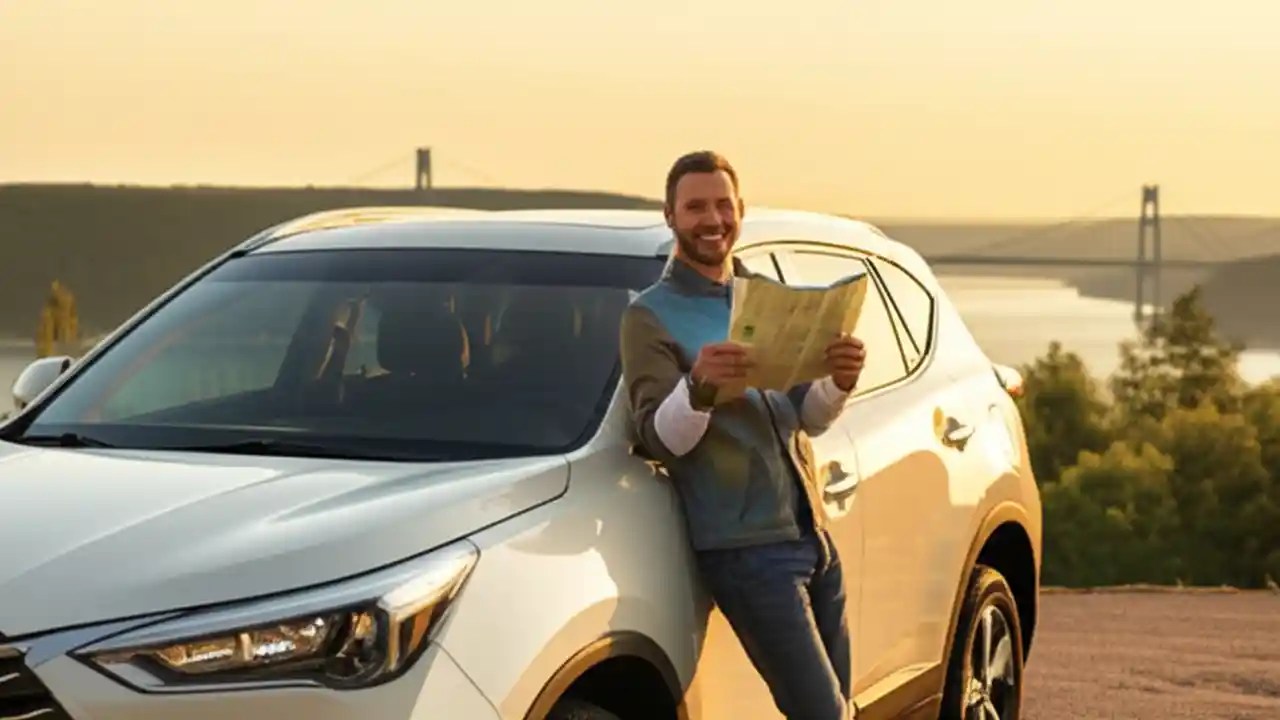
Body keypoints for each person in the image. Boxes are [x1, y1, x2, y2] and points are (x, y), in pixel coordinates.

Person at [620, 150, 866, 719]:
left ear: (740, 210)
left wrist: (839, 382)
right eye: (695, 207)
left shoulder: (765, 295)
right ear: (670, 216)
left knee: (840, 709)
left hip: (813, 536)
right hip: (746, 550)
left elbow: (806, 414)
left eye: (722, 205)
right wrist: (699, 387)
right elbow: (661, 439)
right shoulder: (650, 316)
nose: (712, 219)